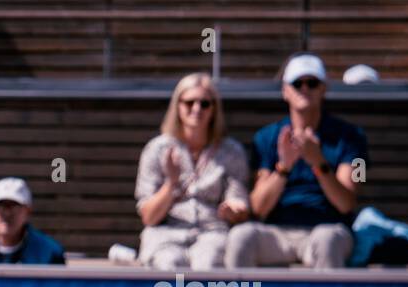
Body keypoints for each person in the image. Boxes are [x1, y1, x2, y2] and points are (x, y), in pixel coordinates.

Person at [225, 54, 366, 269]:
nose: (305, 89)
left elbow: (347, 202)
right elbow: (258, 207)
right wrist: (284, 167)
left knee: (327, 240)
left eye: (312, 83)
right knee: (241, 236)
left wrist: (317, 162)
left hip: (329, 229)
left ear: (323, 88)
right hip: (277, 232)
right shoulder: (266, 137)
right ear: (285, 90)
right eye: (297, 83)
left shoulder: (353, 137)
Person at [134, 73, 248, 270]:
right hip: (166, 233)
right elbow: (149, 217)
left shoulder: (231, 151)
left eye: (204, 103)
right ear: (178, 106)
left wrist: (233, 210)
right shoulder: (157, 149)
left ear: (214, 109)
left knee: (208, 265)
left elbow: (239, 205)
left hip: (212, 232)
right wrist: (171, 183)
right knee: (168, 265)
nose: (197, 109)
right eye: (189, 102)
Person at [0, 178, 65, 265]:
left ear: (28, 211)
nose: (7, 213)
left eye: (14, 206)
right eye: (0, 206)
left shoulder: (50, 253)